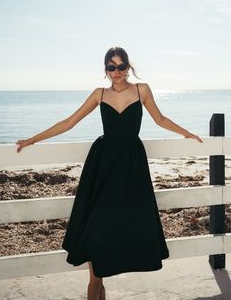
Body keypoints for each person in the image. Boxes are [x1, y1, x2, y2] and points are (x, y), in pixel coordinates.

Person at [16, 46, 203, 300]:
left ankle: (98, 282)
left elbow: (160, 119)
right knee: (95, 226)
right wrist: (32, 140)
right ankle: (96, 282)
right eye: (111, 67)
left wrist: (187, 133)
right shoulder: (99, 94)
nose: (117, 72)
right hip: (103, 166)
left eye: (121, 66)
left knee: (125, 222)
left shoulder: (142, 89)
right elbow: (69, 123)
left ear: (128, 66)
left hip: (131, 166)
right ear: (105, 69)